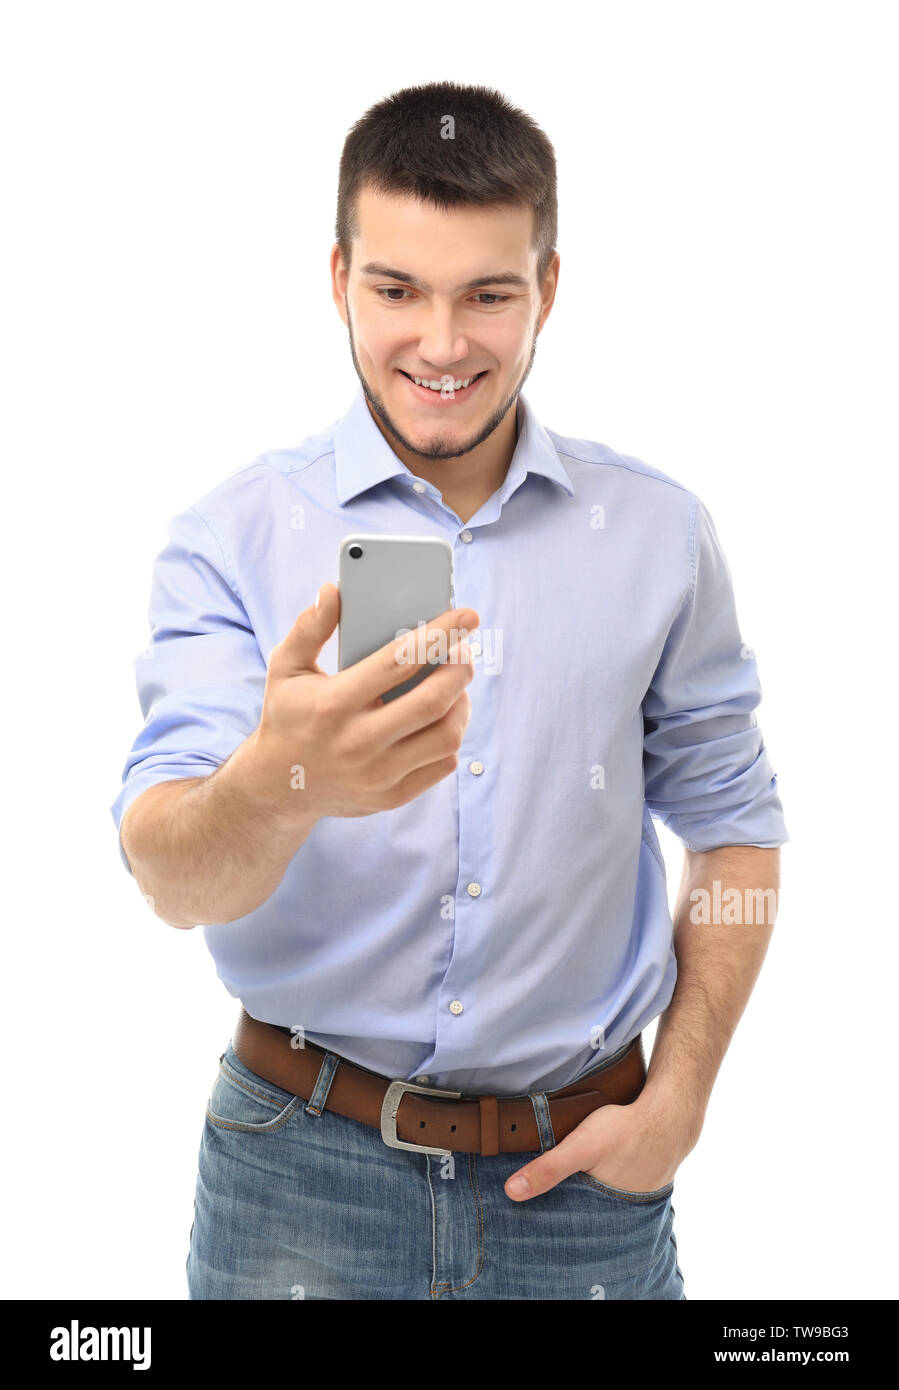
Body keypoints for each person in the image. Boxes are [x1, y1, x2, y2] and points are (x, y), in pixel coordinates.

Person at [111, 80, 788, 1301]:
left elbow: (735, 833)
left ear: (548, 290)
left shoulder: (655, 532)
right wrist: (281, 782)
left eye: (486, 292)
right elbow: (169, 875)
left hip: (584, 1183)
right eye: (395, 290)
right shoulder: (229, 536)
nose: (439, 342)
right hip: (296, 1176)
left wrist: (677, 1097)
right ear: (336, 281)